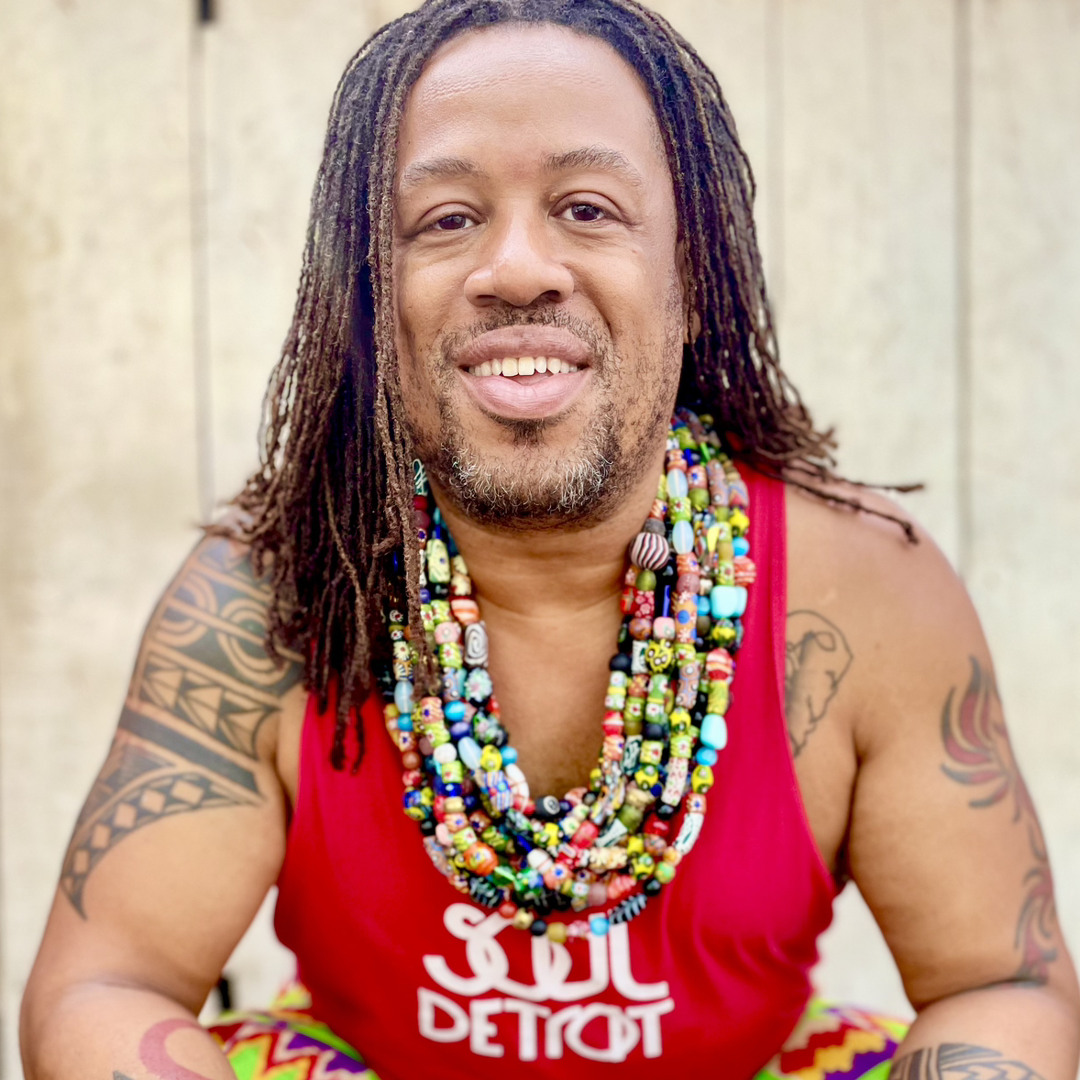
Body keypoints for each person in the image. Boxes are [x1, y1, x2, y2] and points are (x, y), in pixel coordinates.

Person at [20, 0, 1080, 1077]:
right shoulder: (265, 596)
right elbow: (111, 984)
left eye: (586, 208)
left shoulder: (864, 590)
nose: (520, 268)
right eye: (446, 219)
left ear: (694, 281)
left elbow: (997, 984)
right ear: (370, 302)